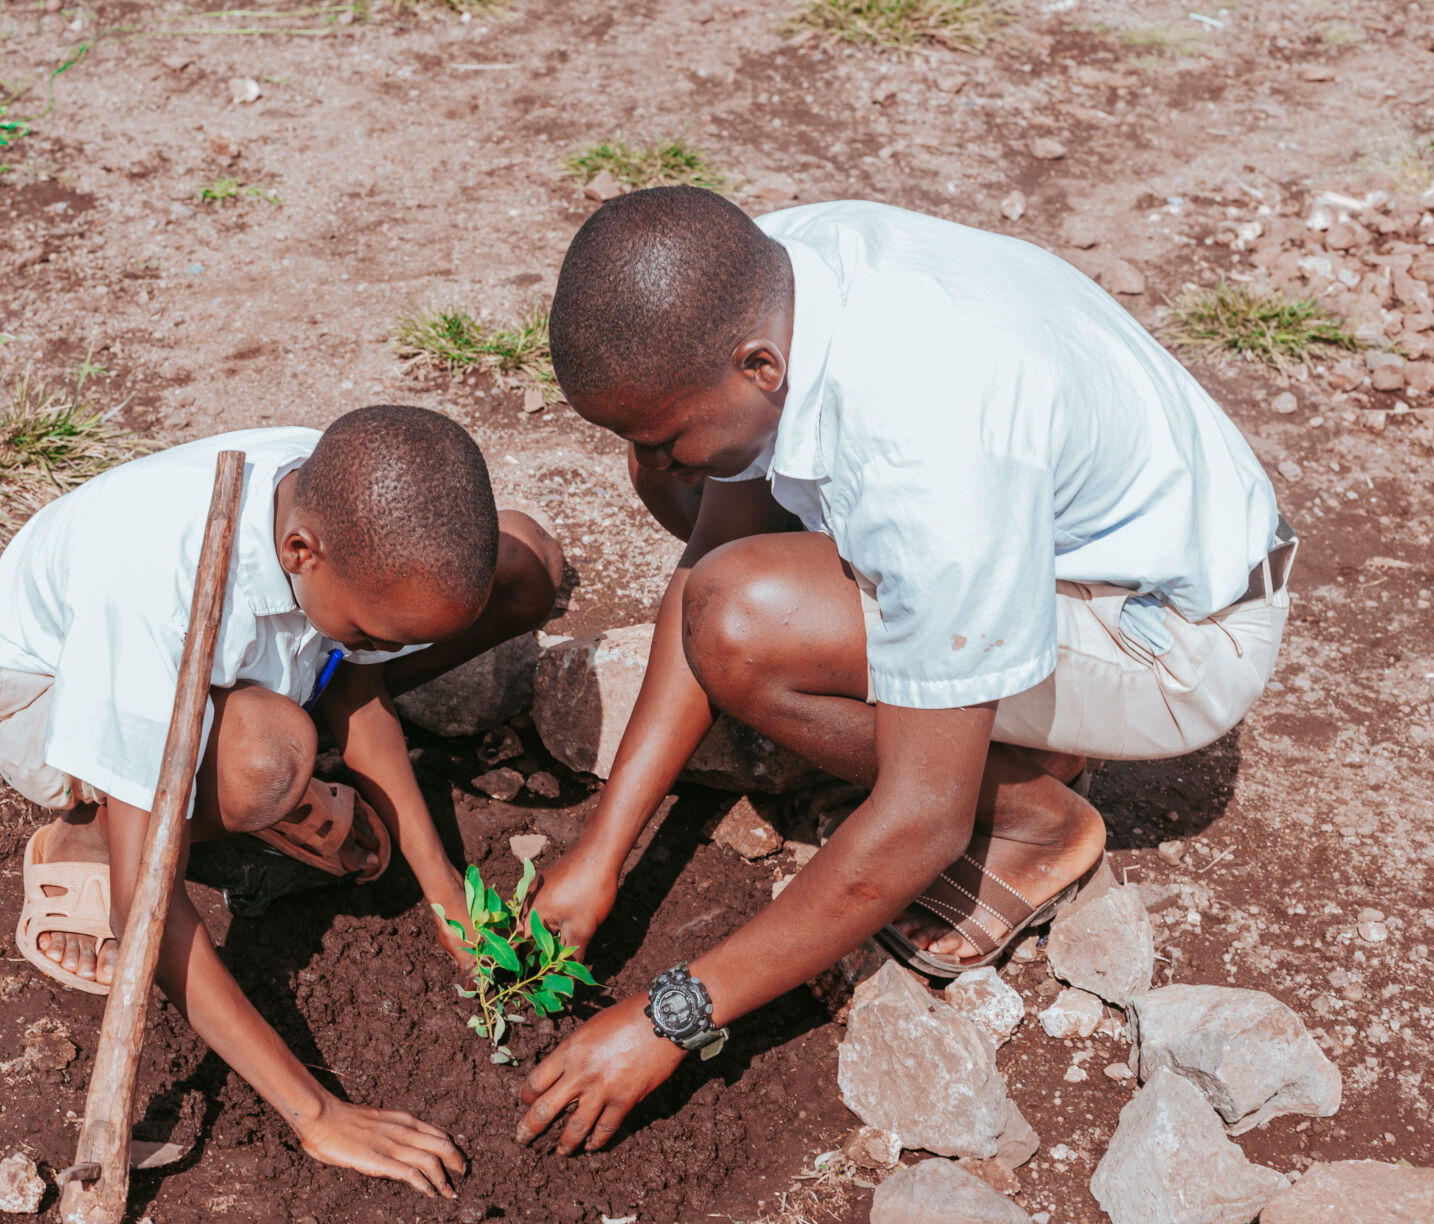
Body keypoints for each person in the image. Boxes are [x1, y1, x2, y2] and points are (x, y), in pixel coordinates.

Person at [515, 187, 1294, 1154]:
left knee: (751, 627)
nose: (645, 463)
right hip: (1065, 546)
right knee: (724, 580)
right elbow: (705, 561)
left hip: (1175, 633)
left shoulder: (928, 455)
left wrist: (666, 1018)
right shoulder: (777, 275)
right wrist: (601, 854)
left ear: (759, 367)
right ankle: (1015, 741)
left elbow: (917, 821)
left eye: (661, 431)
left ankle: (1034, 827)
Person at [0, 405, 564, 1198]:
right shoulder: (151, 587)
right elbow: (147, 909)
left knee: (527, 562)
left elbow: (359, 684)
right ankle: (88, 830)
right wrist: (316, 1113)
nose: (382, 651)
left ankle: (266, 761)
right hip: (48, 692)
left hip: (238, 660)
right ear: (300, 553)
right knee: (264, 760)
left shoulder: (330, 505)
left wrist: (445, 892)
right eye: (374, 633)